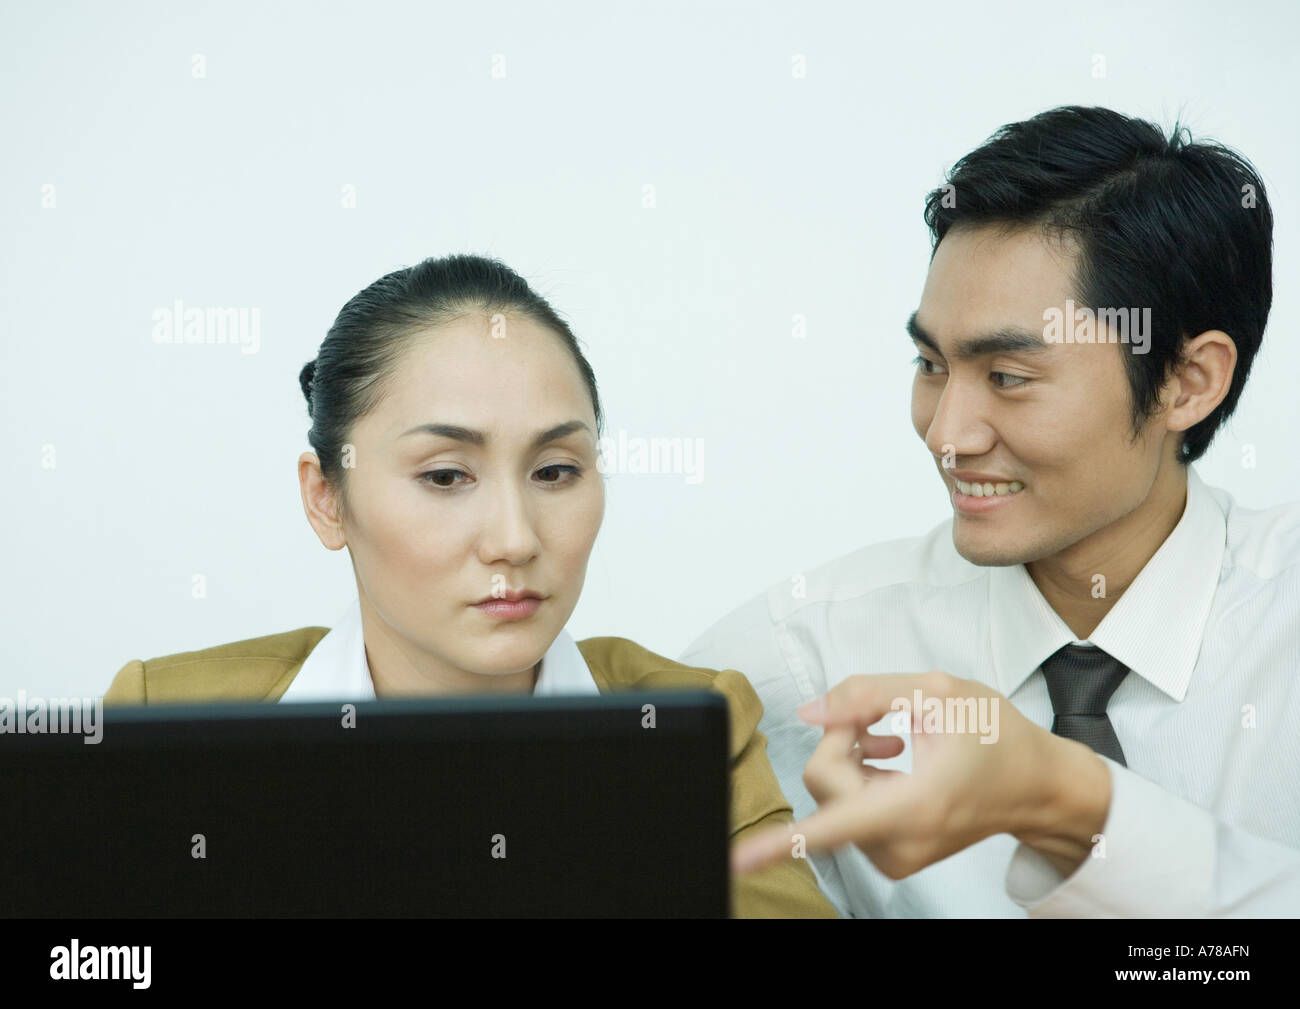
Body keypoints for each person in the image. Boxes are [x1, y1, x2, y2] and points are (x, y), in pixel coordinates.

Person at [683, 106, 1300, 917]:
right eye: (931, 363)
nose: (946, 434)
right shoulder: (801, 662)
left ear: (1189, 382)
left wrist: (1053, 794)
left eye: (1009, 376)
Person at [105, 253, 837, 919]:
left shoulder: (694, 725)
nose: (514, 538)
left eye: (555, 471)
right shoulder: (164, 718)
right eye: (446, 475)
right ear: (327, 498)